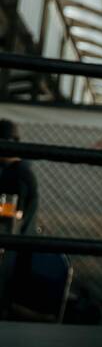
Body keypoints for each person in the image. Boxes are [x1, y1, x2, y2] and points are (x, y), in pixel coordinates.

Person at [0, 117, 40, 316]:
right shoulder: (19, 171)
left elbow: (11, 215)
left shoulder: (16, 174)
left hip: (12, 249)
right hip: (17, 247)